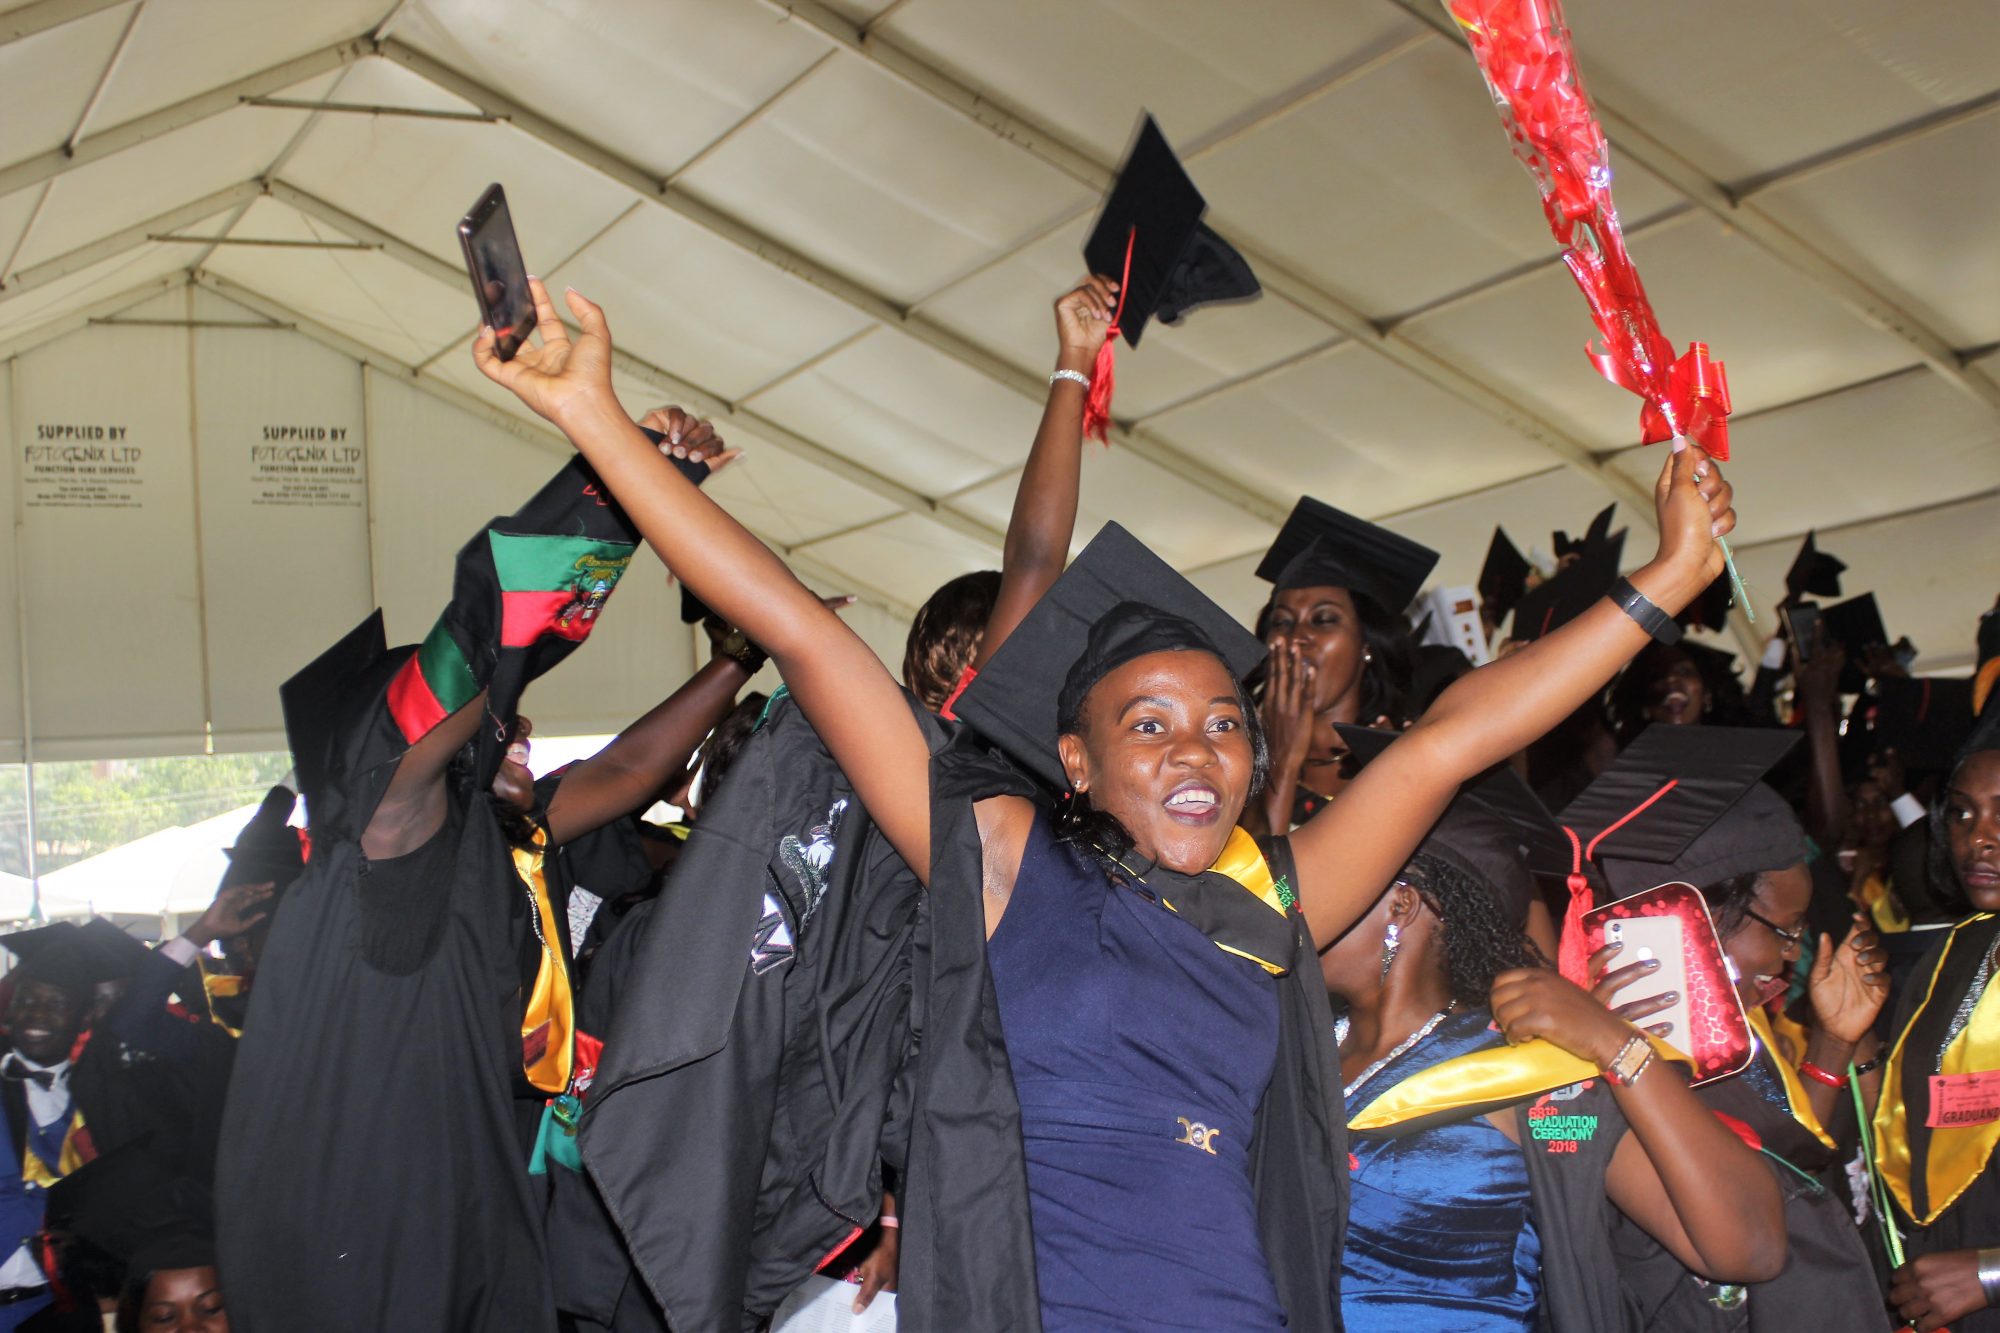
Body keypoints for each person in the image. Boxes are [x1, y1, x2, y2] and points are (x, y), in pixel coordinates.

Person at [474, 269, 1743, 1328]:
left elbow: (1448, 743)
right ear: (1073, 761)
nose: (1197, 753)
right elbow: (804, 635)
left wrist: (1667, 581)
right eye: (1148, 727)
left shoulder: (1267, 902)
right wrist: (596, 418)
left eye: (1222, 725)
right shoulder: (1010, 858)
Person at [214, 427, 734, 1331]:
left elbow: (623, 772)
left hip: (481, 1196)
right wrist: (610, 484)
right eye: (495, 730)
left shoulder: (495, 849)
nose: (516, 733)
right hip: (381, 1238)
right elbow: (472, 656)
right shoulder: (382, 854)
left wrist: (742, 658)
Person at [1554, 726, 1892, 1329]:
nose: (1791, 955)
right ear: (1697, 916)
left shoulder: (1737, 1037)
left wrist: (1834, 1042)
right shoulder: (1595, 1068)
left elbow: (1790, 1166)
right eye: (1784, 930)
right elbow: (1745, 1236)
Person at [1877, 706, 2000, 1332]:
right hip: (1937, 1291)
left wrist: (1991, 1272)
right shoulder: (1954, 954)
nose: (1978, 838)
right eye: (1961, 812)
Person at [1247, 498, 1433, 832]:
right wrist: (1280, 757)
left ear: (1367, 644)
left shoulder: (1408, 753)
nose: (1297, 637)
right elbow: (1267, 885)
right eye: (1282, 623)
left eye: (1323, 620)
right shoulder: (1237, 764)